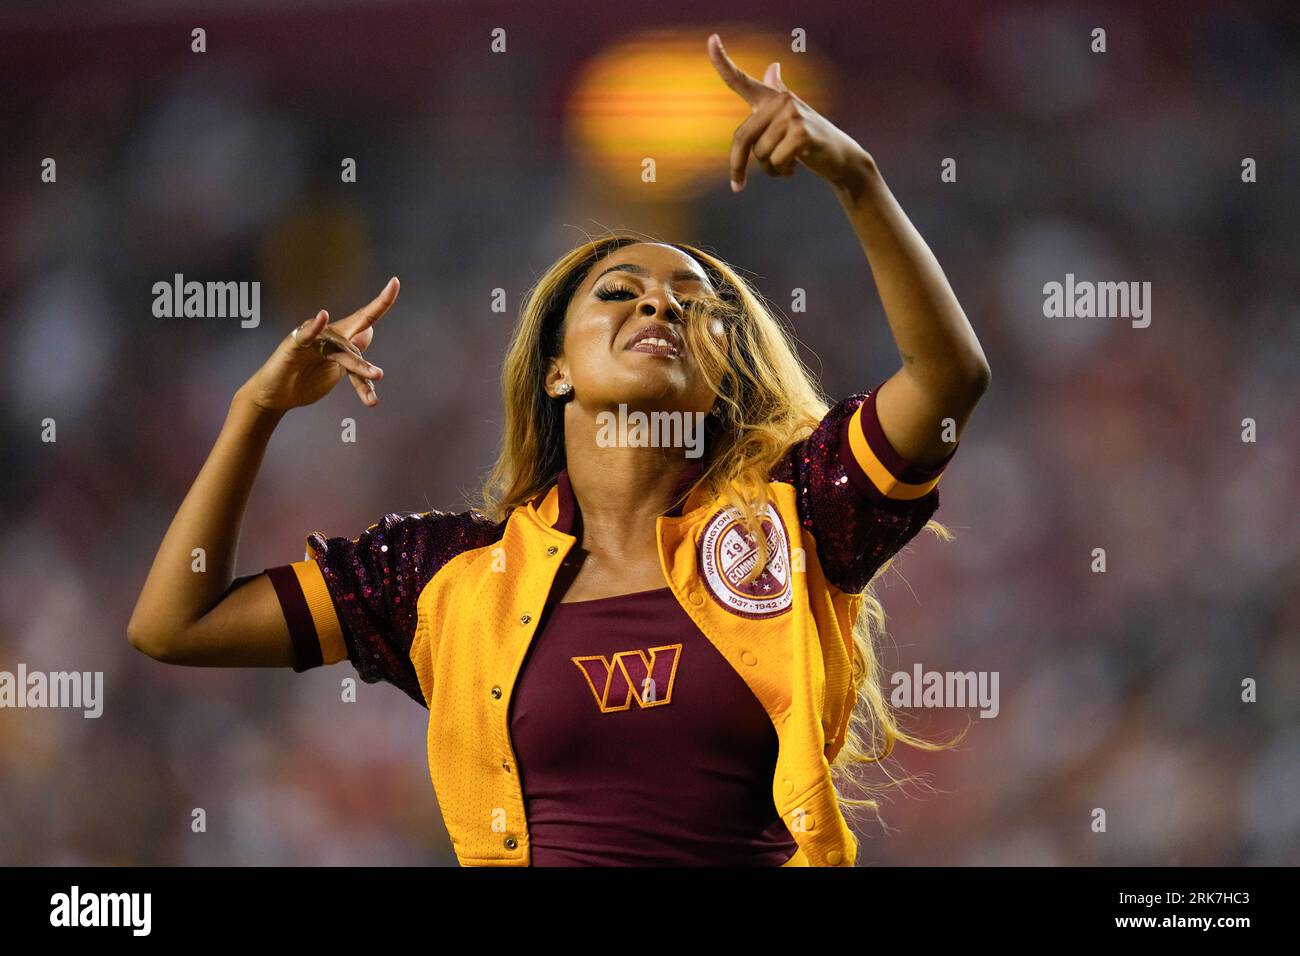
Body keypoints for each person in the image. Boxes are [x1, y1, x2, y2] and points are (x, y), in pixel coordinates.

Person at [127, 33, 989, 866]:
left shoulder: (796, 516)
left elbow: (948, 379)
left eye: (694, 303)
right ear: (555, 371)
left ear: (722, 372)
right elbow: (174, 625)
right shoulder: (444, 579)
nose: (660, 308)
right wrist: (256, 410)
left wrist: (858, 177)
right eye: (621, 292)